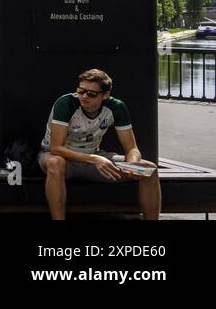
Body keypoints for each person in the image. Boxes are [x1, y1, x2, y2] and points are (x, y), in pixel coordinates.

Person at [38, 68, 160, 220]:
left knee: (149, 170)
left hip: (94, 157)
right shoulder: (66, 103)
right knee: (55, 163)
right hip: (62, 158)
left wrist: (132, 165)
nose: (84, 97)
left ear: (105, 95)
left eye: (91, 94)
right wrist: (94, 159)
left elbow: (132, 148)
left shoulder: (116, 107)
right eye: (81, 91)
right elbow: (55, 148)